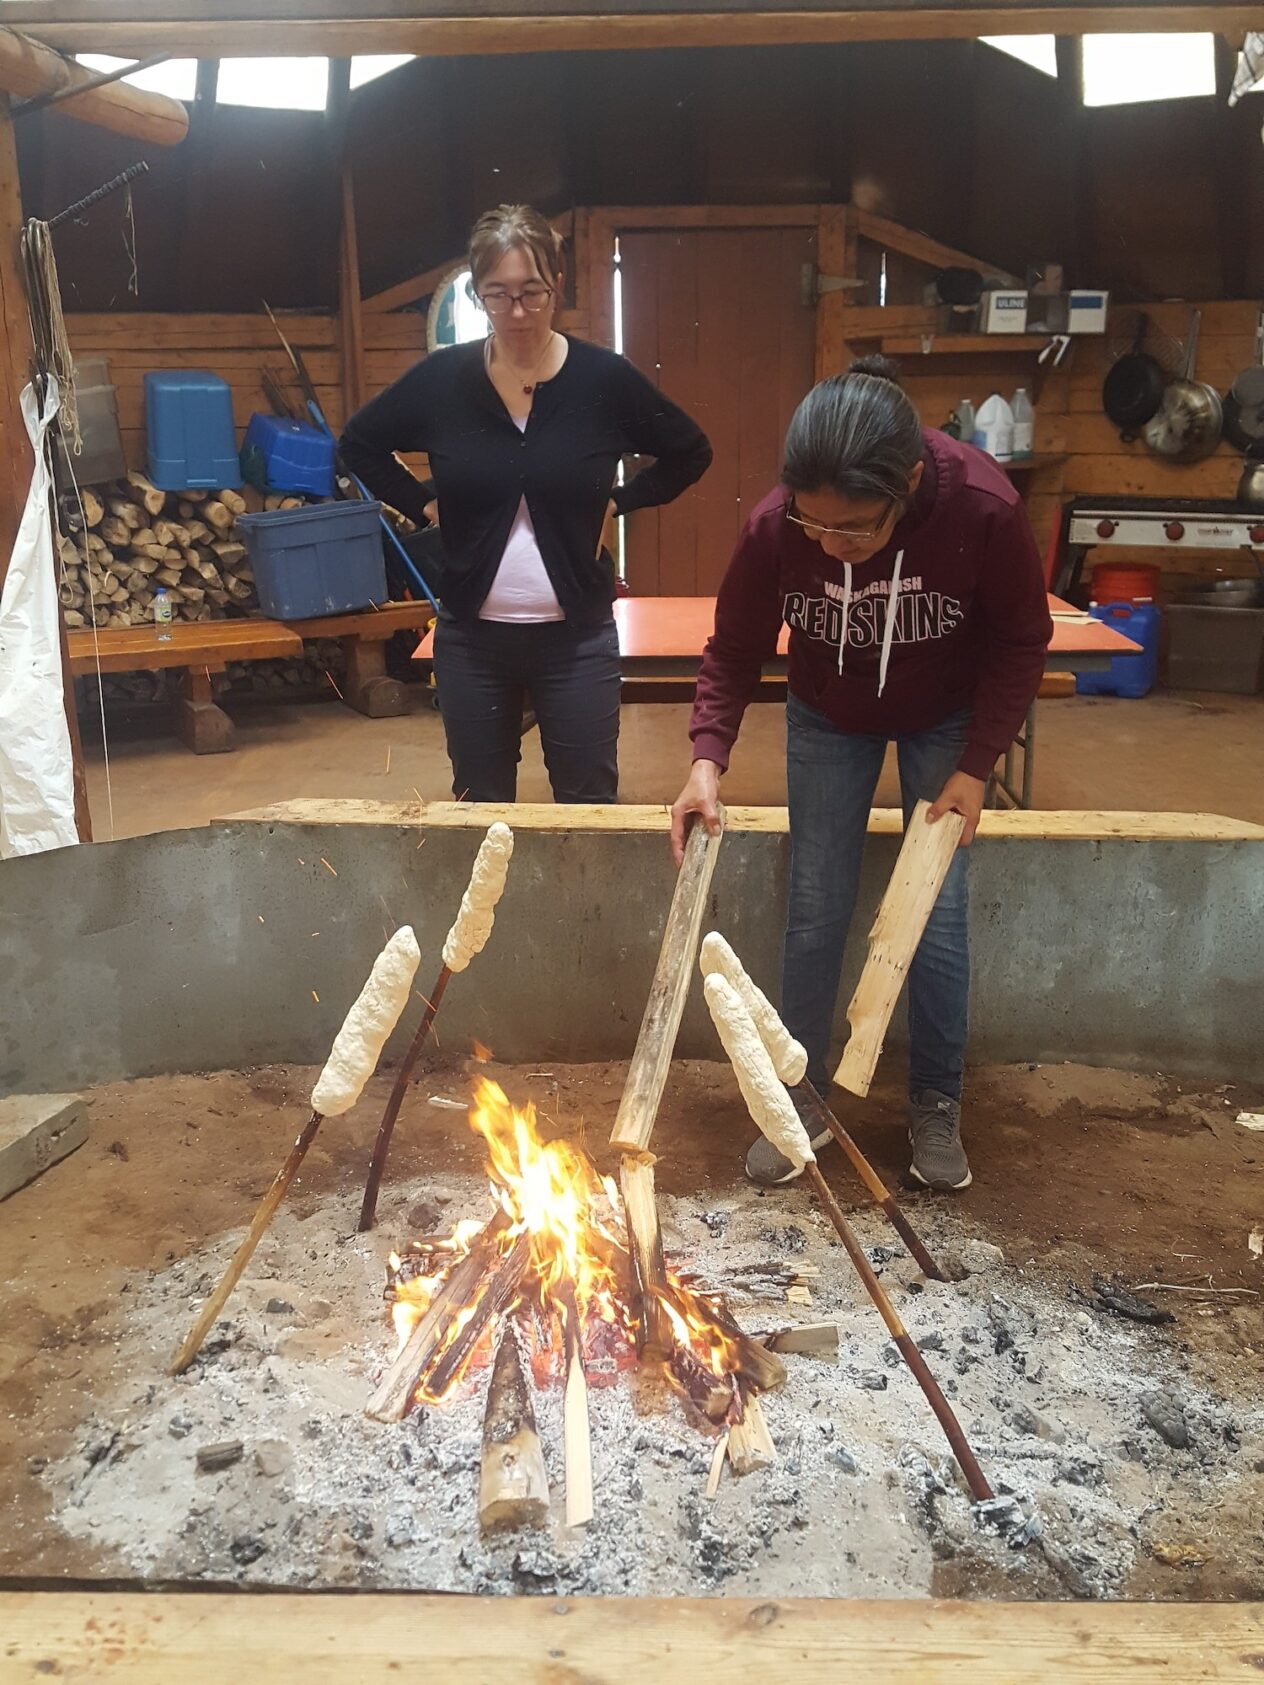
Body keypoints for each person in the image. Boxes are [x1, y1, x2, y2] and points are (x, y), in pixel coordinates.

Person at [670, 356, 1051, 1192]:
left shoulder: (984, 509)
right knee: (816, 904)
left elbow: (1023, 640)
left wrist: (978, 764)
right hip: (826, 712)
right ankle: (798, 1097)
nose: (829, 544)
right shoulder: (777, 525)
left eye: (852, 530)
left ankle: (936, 1102)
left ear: (908, 483)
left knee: (936, 912)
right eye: (813, 524)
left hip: (946, 716)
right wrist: (706, 760)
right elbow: (733, 649)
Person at [341, 204, 712, 803]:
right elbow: (358, 443)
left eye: (532, 292)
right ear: (477, 292)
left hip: (577, 641)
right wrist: (423, 504)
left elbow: (690, 451)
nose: (517, 311)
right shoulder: (443, 381)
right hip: (471, 642)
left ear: (557, 285)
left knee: (588, 806)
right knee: (480, 806)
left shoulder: (603, 381)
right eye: (498, 294)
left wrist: (620, 502)